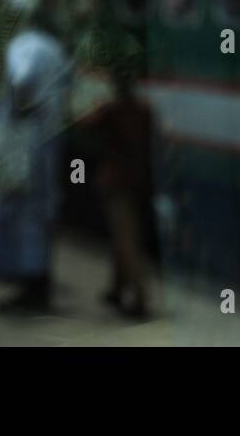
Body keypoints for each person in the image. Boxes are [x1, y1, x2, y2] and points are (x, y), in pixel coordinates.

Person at [0, 0, 74, 314]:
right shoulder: (53, 47)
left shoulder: (21, 46)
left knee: (23, 214)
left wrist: (19, 117)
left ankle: (29, 289)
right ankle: (40, 285)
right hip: (49, 141)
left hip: (24, 144)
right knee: (43, 210)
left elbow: (21, 83)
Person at [84, 62, 155, 319]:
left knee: (125, 239)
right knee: (124, 235)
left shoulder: (111, 110)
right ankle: (117, 287)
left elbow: (86, 125)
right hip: (139, 182)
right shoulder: (145, 111)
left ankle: (139, 296)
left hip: (116, 182)